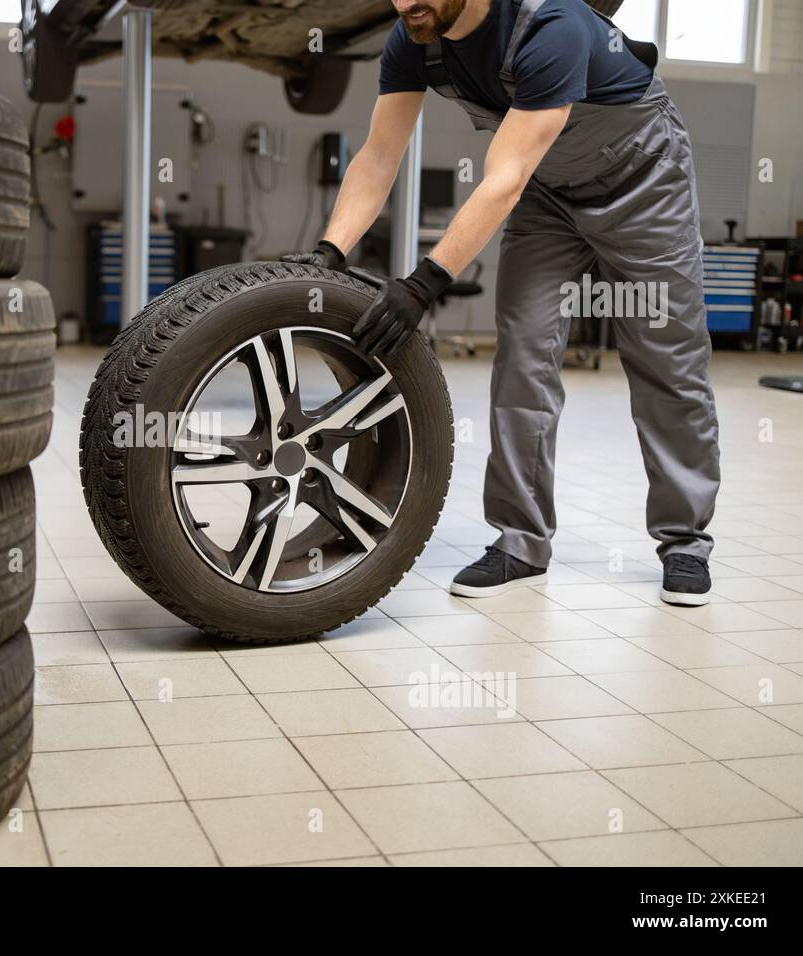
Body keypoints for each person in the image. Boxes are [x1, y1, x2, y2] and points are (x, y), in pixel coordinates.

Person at [283, 0, 720, 607]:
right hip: (548, 196)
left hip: (642, 183)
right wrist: (331, 250)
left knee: (665, 362)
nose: (407, 3)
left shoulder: (551, 24)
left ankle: (685, 542)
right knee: (524, 357)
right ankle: (521, 541)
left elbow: (502, 177)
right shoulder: (414, 35)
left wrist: (424, 283)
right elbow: (381, 152)